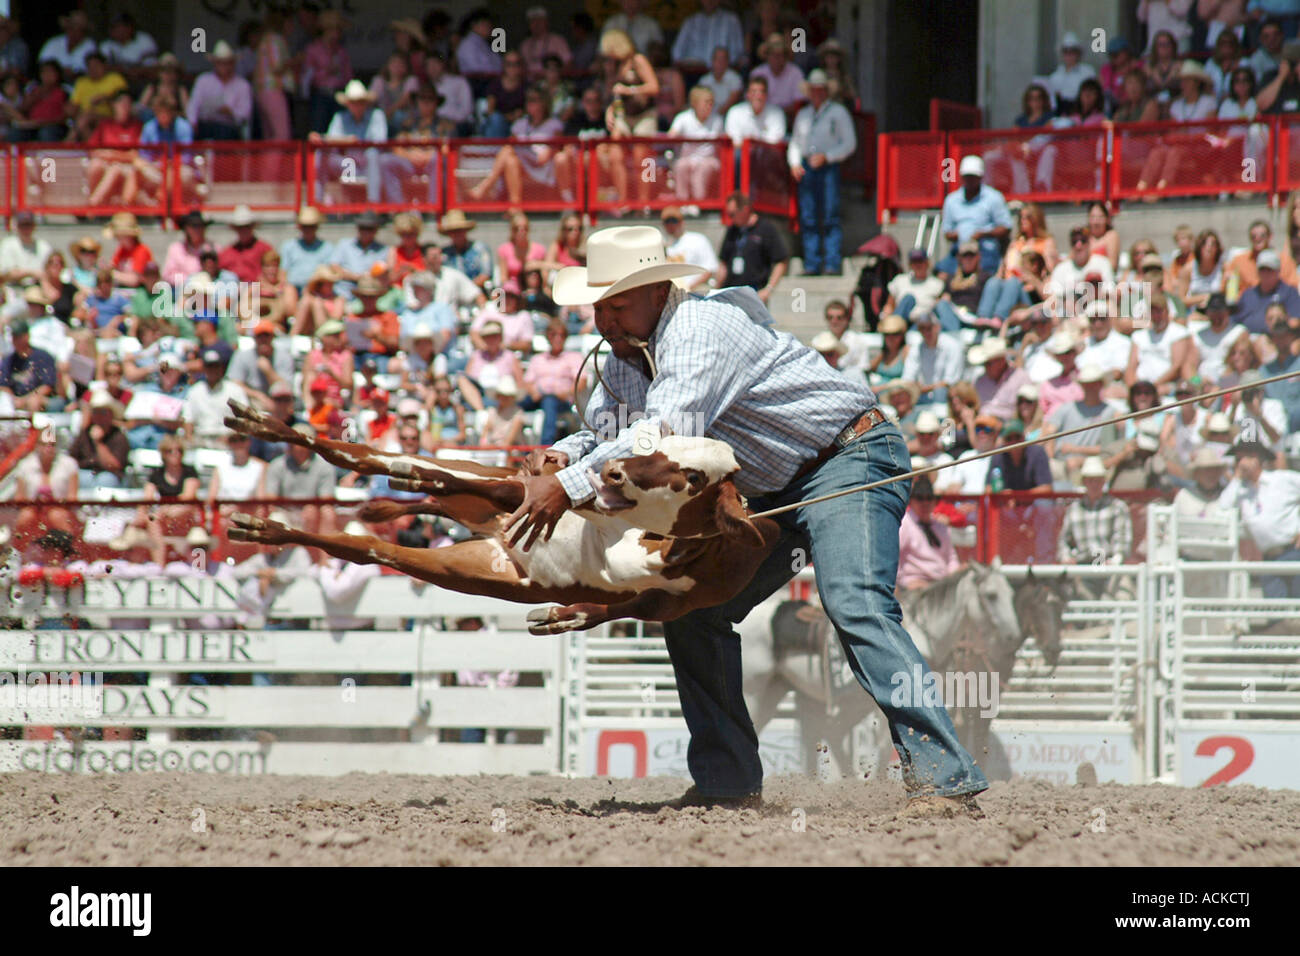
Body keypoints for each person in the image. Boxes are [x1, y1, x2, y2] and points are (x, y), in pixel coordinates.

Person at [504, 225, 987, 815]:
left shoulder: (698, 330)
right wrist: (568, 454)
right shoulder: (629, 353)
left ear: (658, 292)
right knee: (691, 606)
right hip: (772, 489)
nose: (602, 320)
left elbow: (662, 436)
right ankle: (727, 784)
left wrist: (568, 483)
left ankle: (943, 779)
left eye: (615, 304)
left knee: (853, 600)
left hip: (851, 458)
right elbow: (614, 430)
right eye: (597, 306)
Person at [788, 70, 856, 278]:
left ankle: (832, 263)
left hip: (828, 167)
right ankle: (812, 263)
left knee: (829, 214)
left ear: (826, 91)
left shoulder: (838, 112)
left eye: (820, 90)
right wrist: (794, 163)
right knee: (808, 216)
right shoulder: (803, 114)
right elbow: (795, 142)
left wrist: (828, 156)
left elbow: (849, 143)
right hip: (807, 166)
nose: (816, 93)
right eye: (813, 90)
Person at [1219, 440, 1300, 605]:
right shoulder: (1240, 490)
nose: (1239, 463)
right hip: (1269, 558)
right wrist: (1236, 479)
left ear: (1257, 458)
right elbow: (1222, 509)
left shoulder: (1281, 479)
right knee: (1277, 615)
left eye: (1243, 458)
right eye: (1238, 459)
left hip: (1293, 551)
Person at [1056, 456, 1133, 597]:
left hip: (1110, 568)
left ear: (1103, 481)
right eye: (1090, 480)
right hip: (1081, 570)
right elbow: (1063, 541)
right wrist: (1066, 558)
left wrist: (1115, 560)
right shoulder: (1073, 510)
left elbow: (1123, 541)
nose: (1094, 484)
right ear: (1084, 482)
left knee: (1124, 598)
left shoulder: (1117, 507)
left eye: (1097, 480)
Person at [939, 155, 1012, 276]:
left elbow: (1006, 227)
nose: (970, 180)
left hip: (986, 250)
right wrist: (960, 234)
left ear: (980, 177)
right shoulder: (952, 200)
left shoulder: (993, 197)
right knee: (941, 273)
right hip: (960, 249)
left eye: (973, 177)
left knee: (983, 275)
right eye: (967, 177)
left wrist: (983, 234)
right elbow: (947, 231)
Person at [717, 192, 787, 305]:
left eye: (732, 214)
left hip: (754, 292)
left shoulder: (765, 229)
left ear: (745, 209)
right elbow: (723, 263)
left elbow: (781, 261)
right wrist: (716, 289)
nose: (731, 218)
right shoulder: (732, 231)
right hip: (731, 291)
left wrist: (768, 289)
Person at [896, 477, 960, 591]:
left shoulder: (941, 527)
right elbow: (894, 557)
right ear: (911, 501)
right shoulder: (904, 525)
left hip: (941, 585)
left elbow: (951, 558)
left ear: (934, 502)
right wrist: (905, 582)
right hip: (914, 587)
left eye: (929, 498)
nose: (925, 503)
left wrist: (954, 577)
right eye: (920, 498)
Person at [187, 41, 252, 140]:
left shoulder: (242, 85)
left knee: (224, 131)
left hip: (230, 129)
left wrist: (230, 112)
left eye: (227, 63)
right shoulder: (203, 80)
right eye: (220, 63)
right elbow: (193, 105)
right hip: (205, 126)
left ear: (233, 63)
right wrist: (193, 123)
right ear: (215, 63)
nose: (224, 66)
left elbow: (245, 114)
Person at [71, 391, 130, 490]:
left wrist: (98, 443)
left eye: (103, 412)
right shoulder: (85, 434)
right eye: (95, 412)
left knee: (105, 481)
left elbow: (113, 466)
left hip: (109, 475)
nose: (99, 416)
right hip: (85, 474)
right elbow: (71, 459)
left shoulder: (119, 436)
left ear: (111, 415)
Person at [1232, 249, 1300, 333]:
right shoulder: (1247, 294)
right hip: (1248, 338)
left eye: (1270, 270)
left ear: (1278, 271)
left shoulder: (1289, 292)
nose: (1266, 273)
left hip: (1277, 339)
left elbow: (1296, 321)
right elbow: (1235, 319)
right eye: (1262, 269)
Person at [671, 0, 746, 71]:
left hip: (724, 73)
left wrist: (721, 63)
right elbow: (676, 53)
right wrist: (689, 63)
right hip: (693, 73)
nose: (710, 1)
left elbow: (738, 52)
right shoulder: (690, 22)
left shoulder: (731, 20)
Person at [0, 318, 55, 413]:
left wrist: (24, 400)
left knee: (34, 402)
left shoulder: (42, 357)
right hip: (14, 400)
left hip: (37, 398)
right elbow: (3, 385)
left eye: (18, 337)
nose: (15, 340)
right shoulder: (9, 360)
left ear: (27, 336)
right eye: (14, 337)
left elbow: (47, 386)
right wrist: (13, 399)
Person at [439, 210, 494, 291]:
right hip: (452, 294)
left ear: (465, 231)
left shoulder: (480, 249)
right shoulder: (444, 253)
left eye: (460, 230)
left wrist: (467, 289)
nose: (457, 234)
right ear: (449, 234)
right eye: (453, 231)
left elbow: (486, 274)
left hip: (479, 291)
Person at [1046, 31, 1097, 114]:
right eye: (1066, 51)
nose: (1069, 55)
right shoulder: (1055, 76)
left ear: (1079, 53)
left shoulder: (1088, 72)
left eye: (1072, 51)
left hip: (1082, 111)